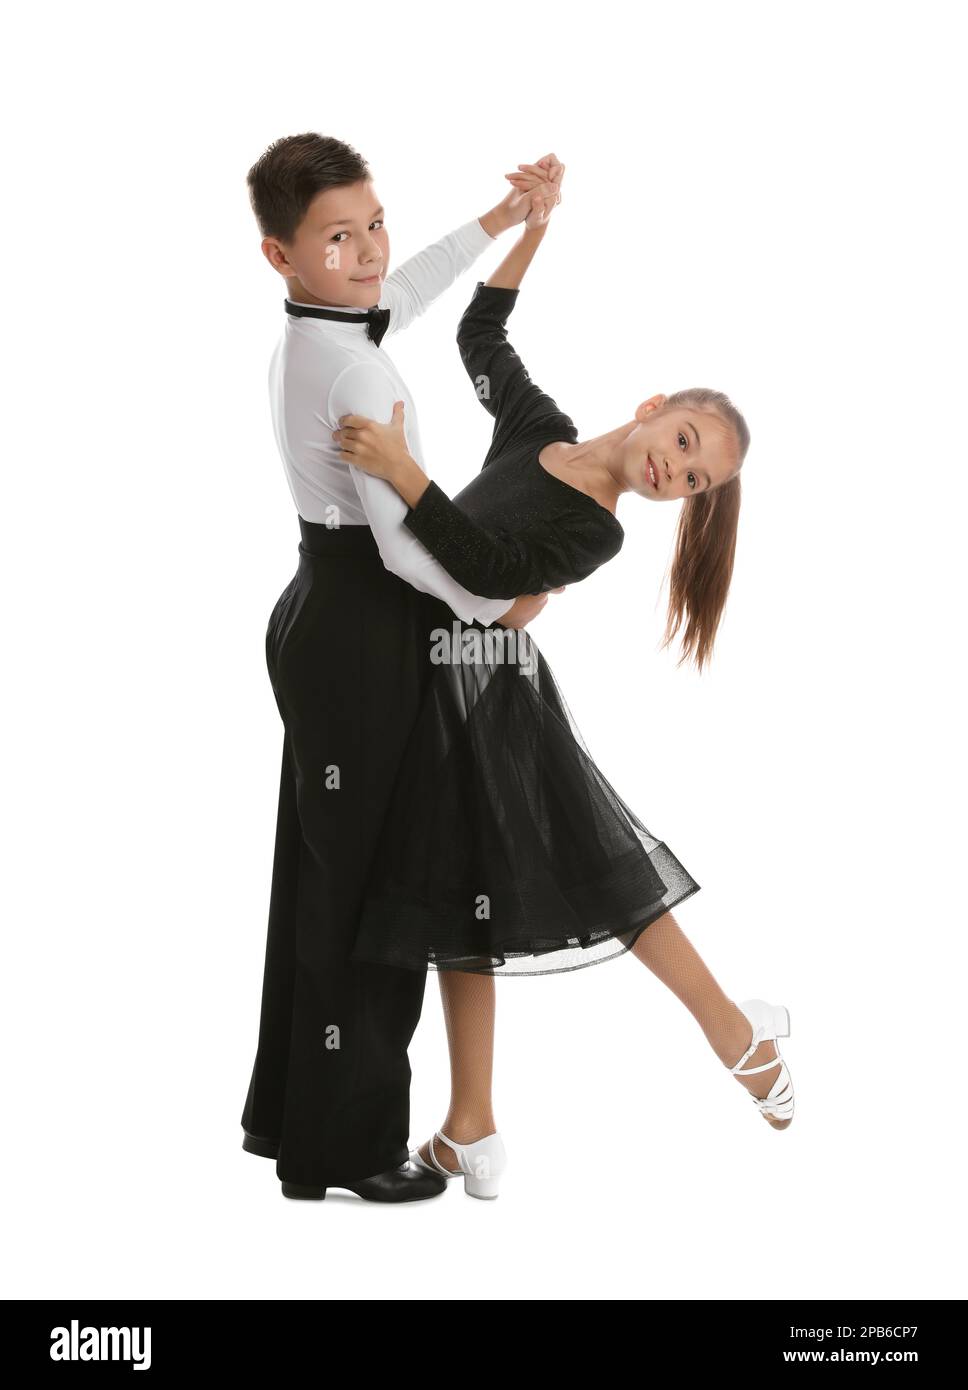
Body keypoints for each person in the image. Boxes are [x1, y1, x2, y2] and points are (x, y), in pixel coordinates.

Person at [333, 156, 795, 1199]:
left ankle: (735, 1034)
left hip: (488, 688)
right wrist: (531, 227)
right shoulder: (537, 431)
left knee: (597, 875)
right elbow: (477, 339)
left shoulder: (595, 534)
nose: (672, 471)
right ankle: (470, 1123)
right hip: (434, 672)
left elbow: (488, 571)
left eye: (692, 478)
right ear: (650, 407)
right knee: (457, 893)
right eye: (680, 441)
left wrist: (406, 473)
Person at [239, 131, 561, 1202]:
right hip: (361, 632)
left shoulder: (323, 328)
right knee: (372, 892)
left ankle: (303, 1136)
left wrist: (499, 222)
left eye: (373, 223)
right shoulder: (349, 373)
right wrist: (500, 606)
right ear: (281, 255)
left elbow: (404, 291)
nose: (370, 250)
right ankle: (350, 1147)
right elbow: (403, 546)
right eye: (340, 238)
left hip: (328, 619)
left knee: (331, 877)